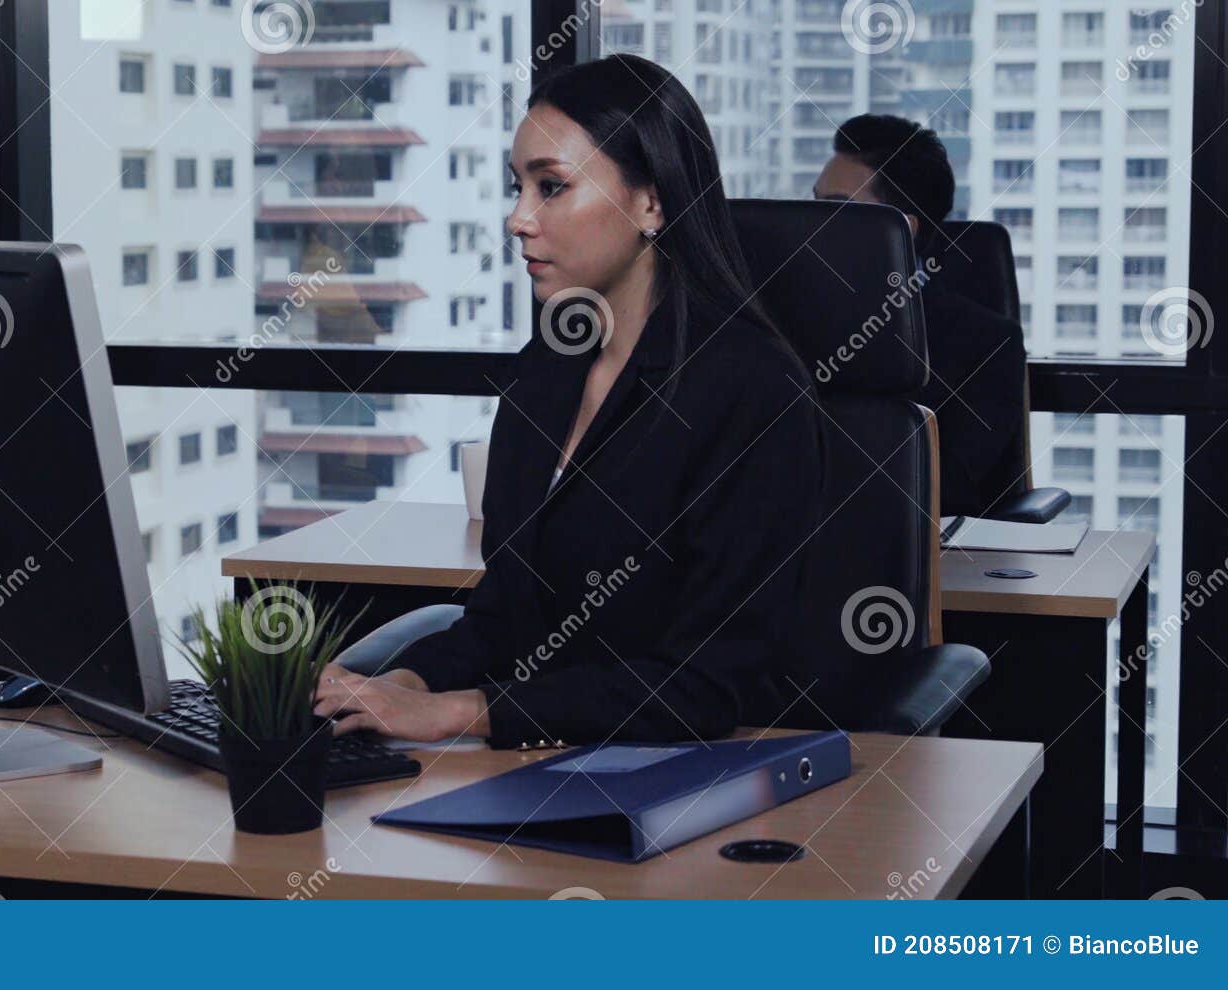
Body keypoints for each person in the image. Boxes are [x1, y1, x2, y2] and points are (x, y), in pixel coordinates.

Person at [313, 55, 825, 748]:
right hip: (540, 763)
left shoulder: (752, 388)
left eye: (551, 187)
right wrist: (409, 685)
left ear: (652, 203)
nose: (518, 219)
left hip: (692, 781)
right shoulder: (547, 371)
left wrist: (468, 712)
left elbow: (711, 684)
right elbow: (504, 619)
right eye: (517, 187)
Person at [813, 114, 1027, 517]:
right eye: (814, 205)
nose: (812, 227)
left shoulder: (986, 344)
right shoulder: (782, 323)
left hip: (925, 556)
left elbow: (950, 487)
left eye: (836, 208)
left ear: (900, 229)